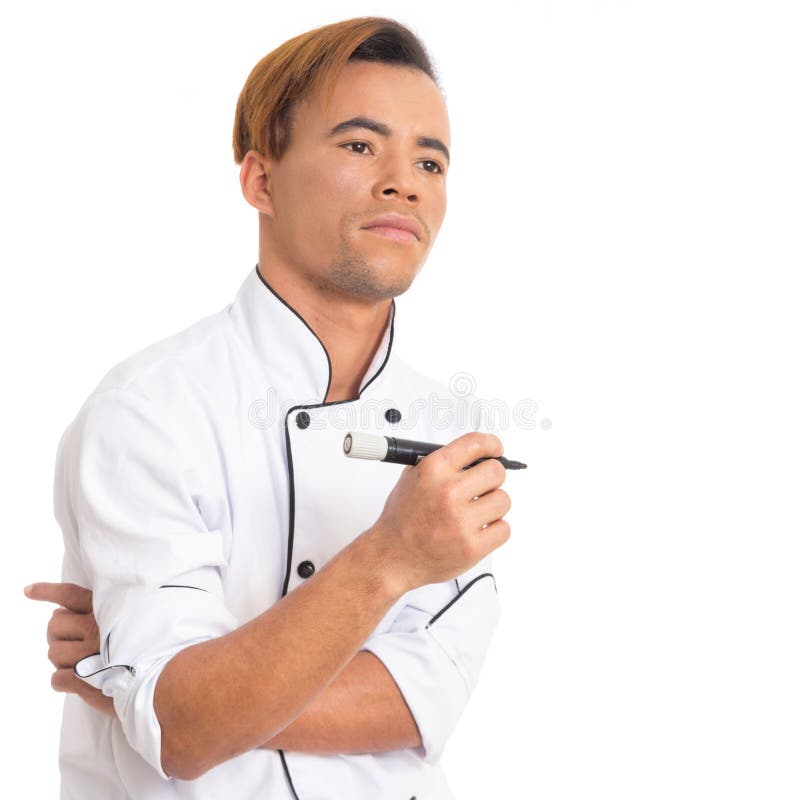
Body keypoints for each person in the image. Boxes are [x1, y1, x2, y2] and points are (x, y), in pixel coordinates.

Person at [25, 16, 513, 799]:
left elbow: (425, 700)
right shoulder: (147, 412)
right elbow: (184, 735)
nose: (405, 181)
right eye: (360, 146)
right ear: (260, 181)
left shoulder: (453, 436)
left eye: (431, 159)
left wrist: (146, 688)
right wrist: (391, 556)